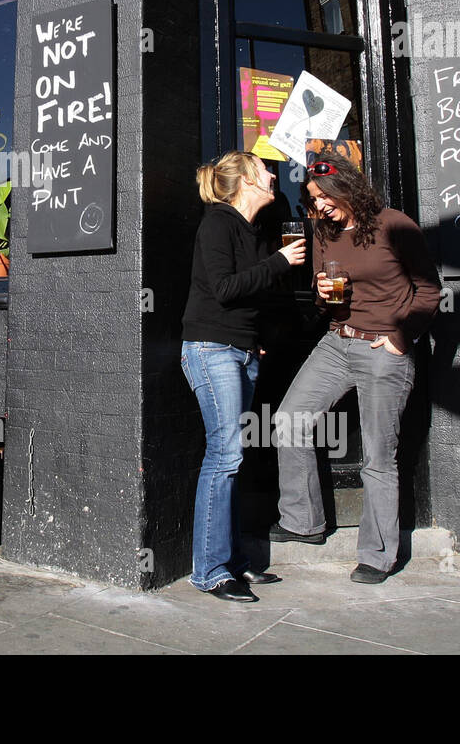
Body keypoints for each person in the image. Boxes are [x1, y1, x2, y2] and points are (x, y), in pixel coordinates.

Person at [272, 153, 440, 584]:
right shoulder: (323, 231)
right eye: (312, 198)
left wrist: (402, 337)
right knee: (289, 421)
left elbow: (429, 289)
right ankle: (302, 521)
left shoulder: (394, 224)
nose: (320, 204)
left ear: (348, 187)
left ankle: (378, 555)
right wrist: (322, 290)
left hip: (384, 348)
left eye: (325, 195)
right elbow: (321, 289)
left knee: (378, 456)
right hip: (337, 340)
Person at [180, 152, 306, 602]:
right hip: (210, 349)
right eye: (265, 170)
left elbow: (248, 296)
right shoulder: (218, 223)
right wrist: (280, 262)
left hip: (241, 351)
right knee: (225, 454)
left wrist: (256, 338)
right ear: (247, 180)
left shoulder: (253, 230)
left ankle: (232, 561)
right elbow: (224, 289)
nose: (274, 175)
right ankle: (211, 571)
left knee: (233, 457)